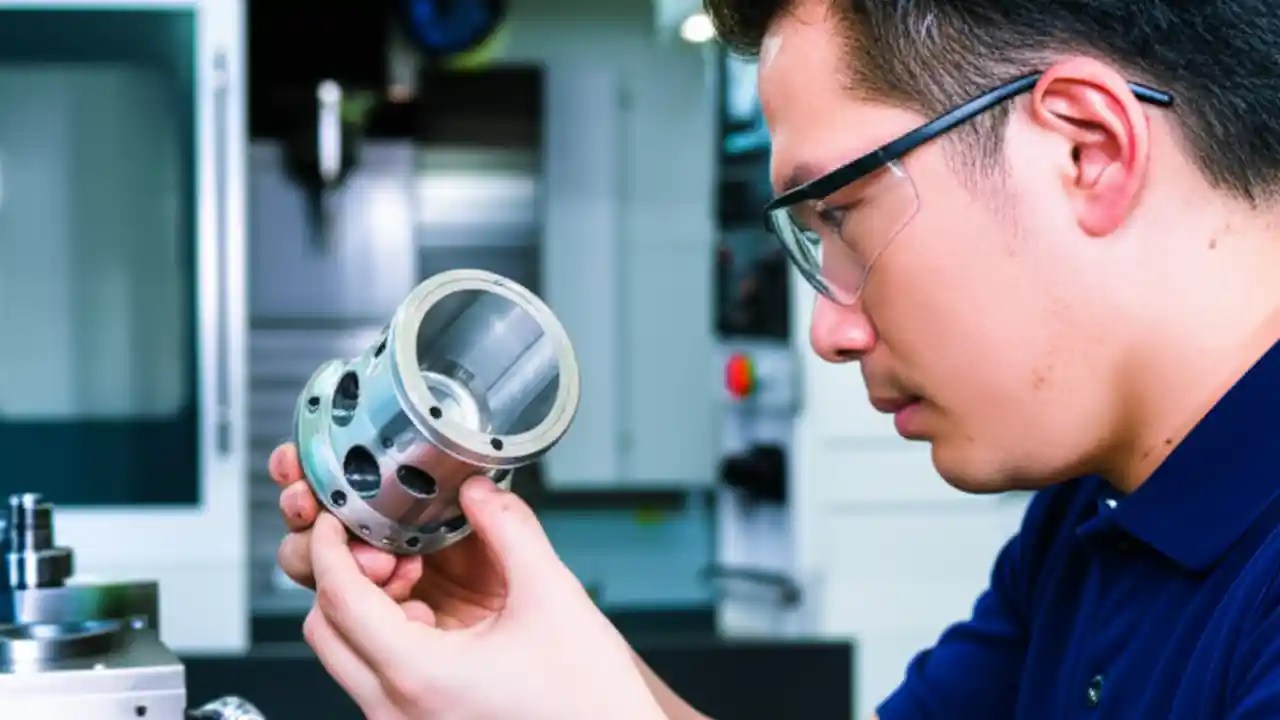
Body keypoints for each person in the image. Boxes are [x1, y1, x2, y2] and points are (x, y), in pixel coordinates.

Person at [270, 0, 1280, 717]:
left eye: (842, 216)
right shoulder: (1088, 521)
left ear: (1084, 149)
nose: (828, 331)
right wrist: (554, 665)